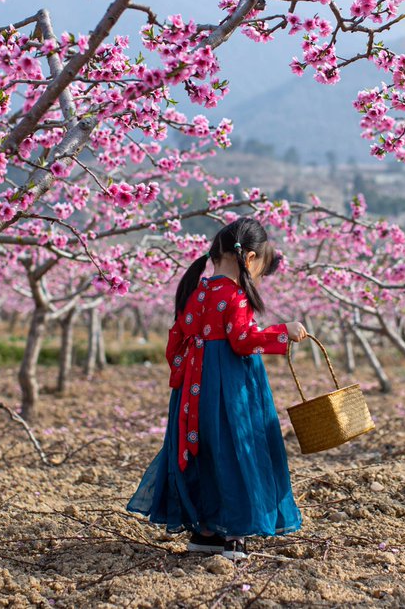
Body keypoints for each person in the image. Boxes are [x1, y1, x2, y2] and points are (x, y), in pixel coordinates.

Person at [126, 217, 308, 561]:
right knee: (237, 446)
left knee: (204, 447)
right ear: (249, 259)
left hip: (194, 386)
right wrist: (284, 331)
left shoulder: (198, 290)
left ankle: (204, 533)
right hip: (231, 385)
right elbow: (242, 340)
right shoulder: (235, 295)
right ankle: (235, 536)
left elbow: (178, 339)